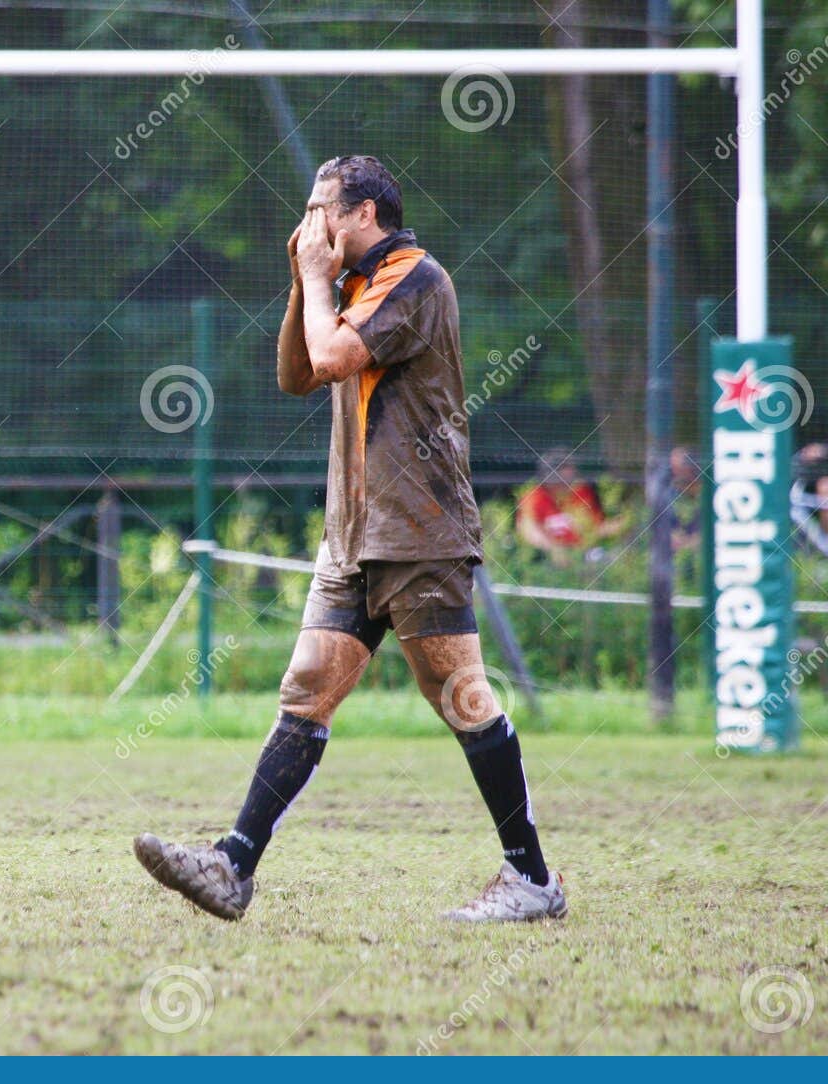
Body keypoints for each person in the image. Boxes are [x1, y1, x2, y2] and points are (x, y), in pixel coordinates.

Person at [133, 155, 565, 924]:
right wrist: (306, 281)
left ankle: (531, 878)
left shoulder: (413, 278)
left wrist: (317, 280)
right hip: (354, 534)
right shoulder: (351, 285)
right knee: (306, 687)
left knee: (461, 696)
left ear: (364, 213)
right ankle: (233, 865)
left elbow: (333, 355)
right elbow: (299, 375)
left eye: (319, 209)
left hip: (418, 529)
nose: (309, 224)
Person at [515, 448, 625, 561]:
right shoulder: (535, 496)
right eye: (567, 469)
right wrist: (553, 547)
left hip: (584, 555)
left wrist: (618, 526)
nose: (573, 475)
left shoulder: (583, 492)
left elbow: (595, 527)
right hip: (546, 558)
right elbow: (528, 528)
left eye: (572, 470)